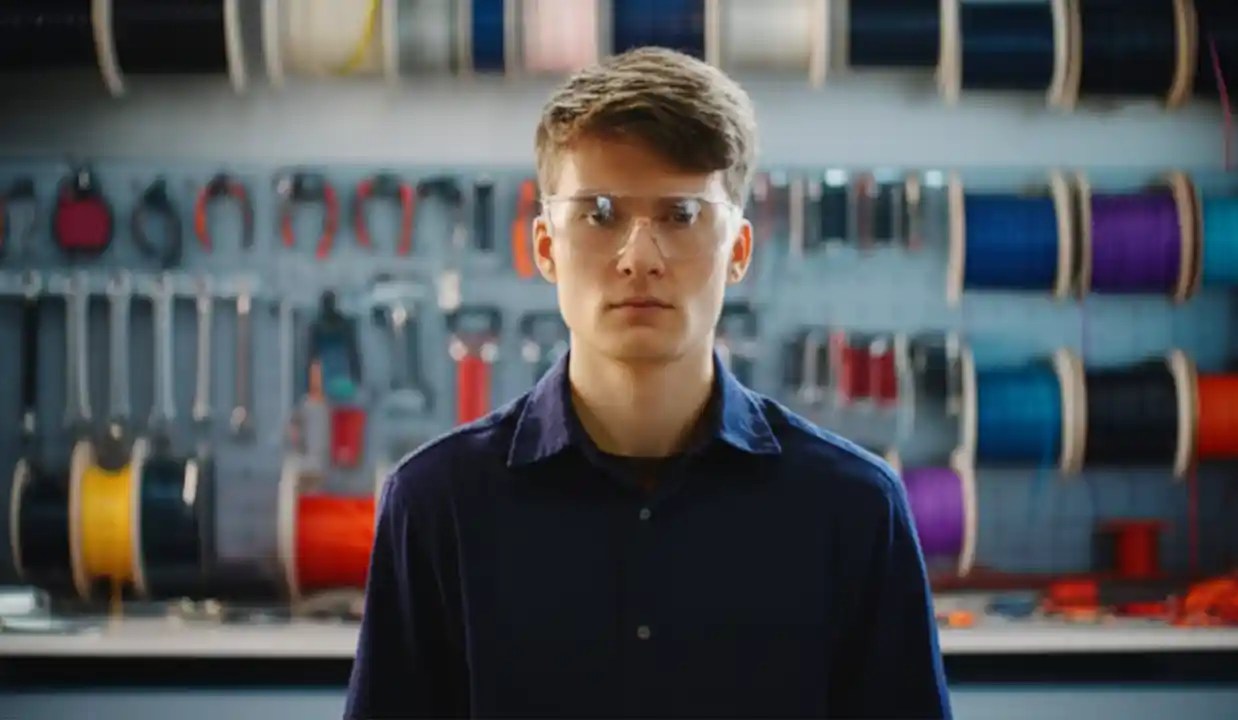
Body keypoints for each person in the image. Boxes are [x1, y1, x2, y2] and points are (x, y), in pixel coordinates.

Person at [346, 46, 951, 719]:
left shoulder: (854, 511)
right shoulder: (436, 506)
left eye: (682, 216)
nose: (640, 258)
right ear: (546, 247)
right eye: (599, 213)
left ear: (739, 252)